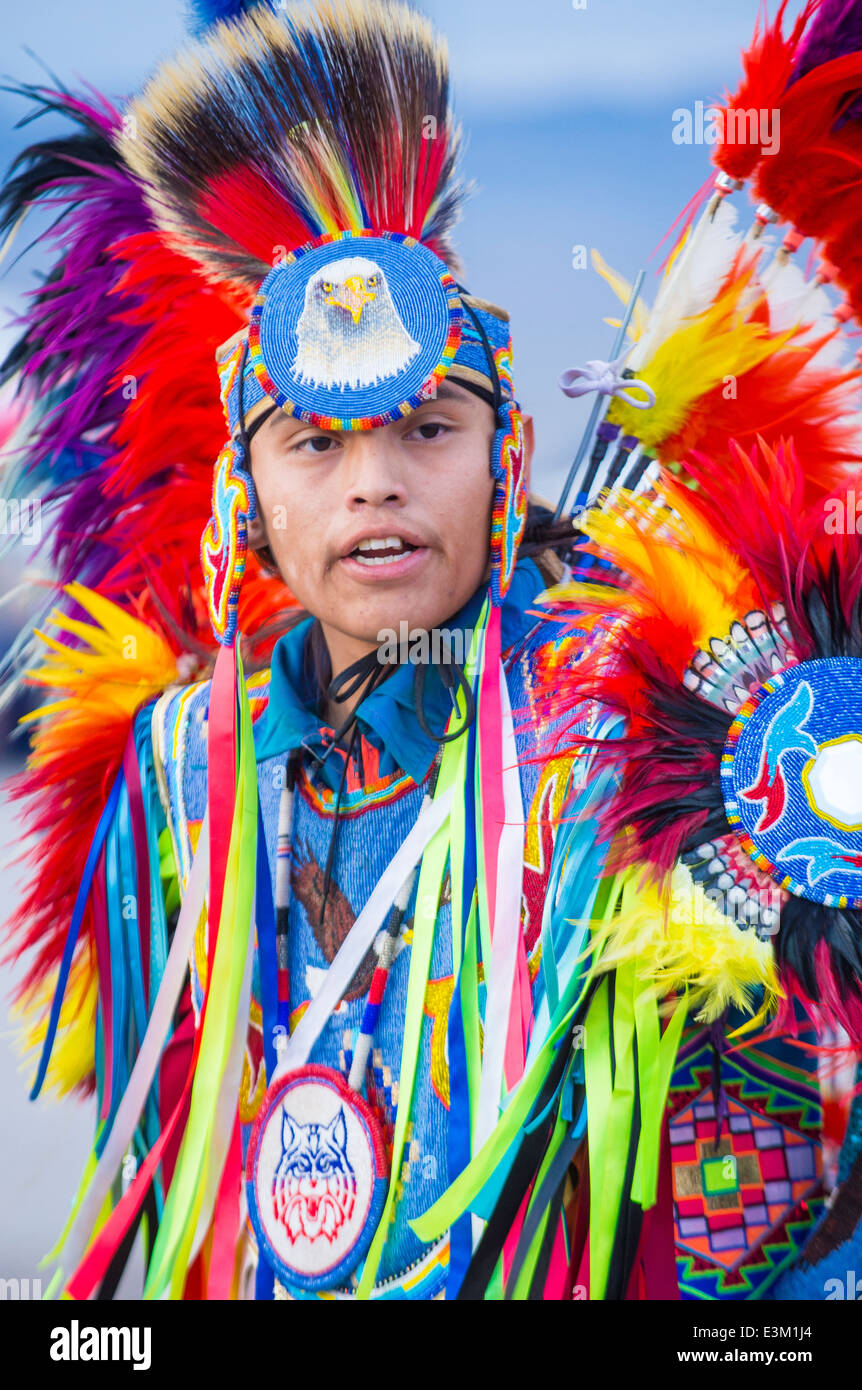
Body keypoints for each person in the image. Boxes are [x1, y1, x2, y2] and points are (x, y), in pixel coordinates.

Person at [2, 0, 862, 1302]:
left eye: (425, 431)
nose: (374, 487)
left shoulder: (654, 747)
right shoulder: (177, 769)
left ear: (506, 460)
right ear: (244, 489)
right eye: (315, 443)